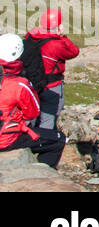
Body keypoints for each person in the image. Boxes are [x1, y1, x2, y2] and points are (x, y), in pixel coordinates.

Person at [0, 33, 66, 168]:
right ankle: (43, 174)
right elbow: (32, 113)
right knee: (58, 139)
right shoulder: (19, 84)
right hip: (6, 138)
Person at [22, 8, 80, 131]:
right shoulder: (56, 44)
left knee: (31, 116)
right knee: (48, 119)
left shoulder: (31, 36)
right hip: (52, 86)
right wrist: (62, 36)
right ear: (59, 26)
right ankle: (43, 145)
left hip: (32, 84)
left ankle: (27, 142)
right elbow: (74, 51)